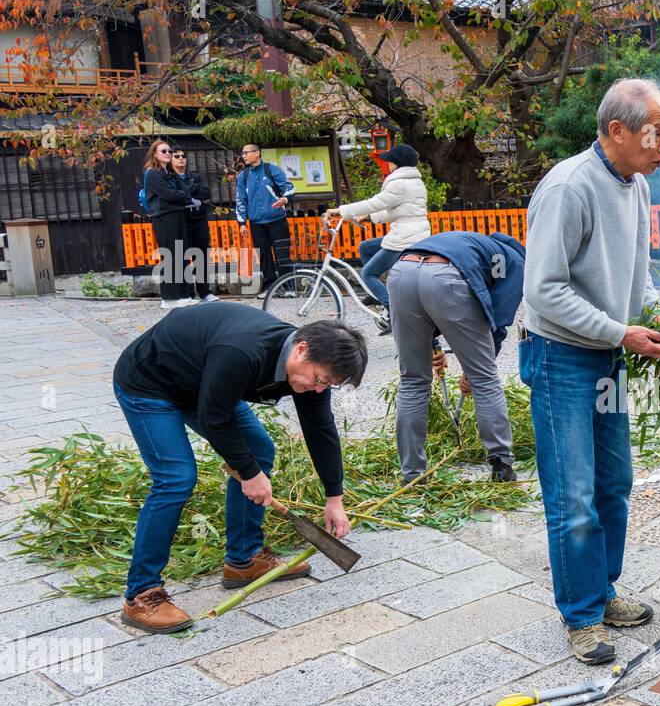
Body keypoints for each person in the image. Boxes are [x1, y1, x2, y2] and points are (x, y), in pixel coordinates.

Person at [521, 77, 660, 664]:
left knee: (614, 483)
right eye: (655, 133)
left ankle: (602, 589)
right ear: (617, 131)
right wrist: (620, 331)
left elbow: (638, 273)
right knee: (574, 492)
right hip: (561, 357)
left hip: (609, 355)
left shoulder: (634, 184)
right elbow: (544, 289)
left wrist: (658, 320)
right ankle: (581, 614)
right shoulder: (568, 187)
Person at [111, 303, 367, 633]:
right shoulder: (243, 351)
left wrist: (335, 498)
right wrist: (249, 474)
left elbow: (320, 429)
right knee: (176, 478)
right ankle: (141, 595)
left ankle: (243, 560)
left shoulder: (310, 371)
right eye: (319, 380)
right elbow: (214, 418)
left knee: (259, 449)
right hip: (151, 384)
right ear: (301, 350)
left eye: (327, 385)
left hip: (205, 385)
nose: (318, 390)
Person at [385, 231, 525, 483]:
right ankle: (502, 467)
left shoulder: (471, 242)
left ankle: (413, 476)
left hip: (401, 272)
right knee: (485, 379)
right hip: (445, 276)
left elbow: (421, 288)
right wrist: (476, 370)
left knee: (413, 380)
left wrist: (430, 344)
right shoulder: (517, 261)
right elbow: (500, 319)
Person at [325, 143, 432, 330]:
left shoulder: (399, 183)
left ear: (397, 163)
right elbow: (398, 211)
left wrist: (340, 211)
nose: (387, 164)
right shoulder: (415, 182)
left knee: (368, 273)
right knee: (366, 247)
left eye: (390, 161)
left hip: (405, 239)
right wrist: (370, 218)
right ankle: (378, 294)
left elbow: (375, 203)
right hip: (412, 232)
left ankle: (392, 309)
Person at [235, 143, 294, 299]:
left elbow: (289, 187)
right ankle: (269, 287)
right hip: (256, 224)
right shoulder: (243, 176)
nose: (244, 156)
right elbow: (241, 200)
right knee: (264, 256)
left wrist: (285, 199)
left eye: (246, 152)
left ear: (257, 153)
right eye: (243, 153)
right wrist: (241, 223)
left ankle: (289, 287)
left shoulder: (271, 169)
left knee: (282, 254)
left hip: (277, 220)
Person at [141, 139, 195, 310]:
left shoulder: (170, 173)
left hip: (177, 215)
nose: (168, 154)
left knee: (182, 254)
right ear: (155, 154)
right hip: (164, 217)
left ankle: (184, 294)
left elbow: (185, 191)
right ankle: (170, 297)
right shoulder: (152, 173)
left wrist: (180, 193)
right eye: (163, 151)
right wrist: (181, 195)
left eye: (169, 151)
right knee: (171, 256)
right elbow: (169, 195)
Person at [170, 146, 217, 303]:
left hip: (199, 219)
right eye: (177, 156)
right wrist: (190, 193)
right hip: (182, 220)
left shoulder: (194, 177)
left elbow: (206, 193)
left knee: (201, 255)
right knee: (184, 256)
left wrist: (189, 190)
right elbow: (176, 195)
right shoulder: (170, 179)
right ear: (171, 159)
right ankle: (189, 293)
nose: (181, 158)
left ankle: (205, 292)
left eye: (183, 155)